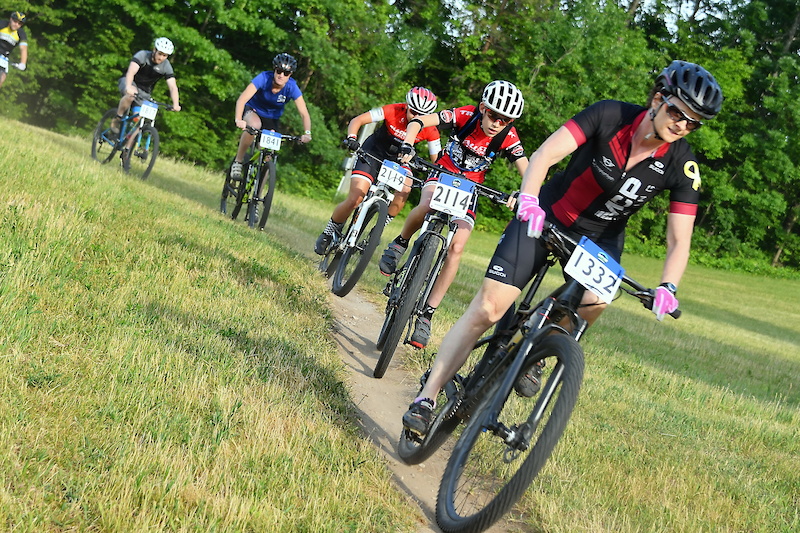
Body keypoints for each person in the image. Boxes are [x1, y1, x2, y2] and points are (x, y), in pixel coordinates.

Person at [401, 60, 723, 436]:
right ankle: (426, 397)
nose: (682, 125)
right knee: (488, 308)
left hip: (601, 239)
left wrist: (668, 286)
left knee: (596, 300)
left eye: (693, 123)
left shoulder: (682, 164)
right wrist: (529, 199)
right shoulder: (609, 115)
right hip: (548, 212)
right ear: (657, 99)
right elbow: (544, 156)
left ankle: (541, 348)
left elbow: (679, 239)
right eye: (677, 112)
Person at [380, 80, 529, 349]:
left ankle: (427, 315)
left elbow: (528, 170)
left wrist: (525, 195)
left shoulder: (508, 136)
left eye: (505, 120)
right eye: (493, 115)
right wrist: (408, 144)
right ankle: (400, 243)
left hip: (471, 187)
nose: (497, 123)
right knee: (426, 204)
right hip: (443, 172)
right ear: (482, 108)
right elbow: (419, 122)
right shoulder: (465, 115)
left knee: (457, 247)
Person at [314, 86, 441, 255]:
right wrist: (352, 138)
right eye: (413, 112)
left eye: (422, 115)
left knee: (406, 189)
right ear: (406, 106)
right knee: (355, 199)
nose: (416, 117)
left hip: (398, 160)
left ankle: (378, 229)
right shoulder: (393, 110)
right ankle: (328, 232)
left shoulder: (430, 128)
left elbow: (437, 161)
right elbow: (357, 120)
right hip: (373, 152)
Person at [230, 53, 312, 179]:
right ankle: (238, 161)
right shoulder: (263, 78)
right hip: (253, 110)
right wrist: (238, 119)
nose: (281, 75)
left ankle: (260, 185)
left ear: (290, 75)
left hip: (272, 118)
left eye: (286, 73)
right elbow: (242, 99)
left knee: (269, 154)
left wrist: (307, 133)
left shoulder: (292, 87)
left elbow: (304, 113)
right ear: (274, 70)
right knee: (254, 125)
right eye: (279, 71)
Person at [111, 37, 182, 136]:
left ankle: (127, 144)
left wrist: (176, 104)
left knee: (140, 120)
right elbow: (131, 72)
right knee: (130, 96)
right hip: (129, 81)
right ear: (154, 50)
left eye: (165, 55)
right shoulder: (142, 55)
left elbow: (173, 87)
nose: (161, 58)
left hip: (144, 91)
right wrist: (128, 86)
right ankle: (117, 118)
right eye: (160, 54)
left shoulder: (166, 66)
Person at [0, 11, 28, 89]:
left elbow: (23, 48)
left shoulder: (21, 33)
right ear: (10, 19)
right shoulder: (2, 24)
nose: (16, 24)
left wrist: (23, 63)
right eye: (15, 21)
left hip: (4, 58)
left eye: (20, 24)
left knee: (2, 78)